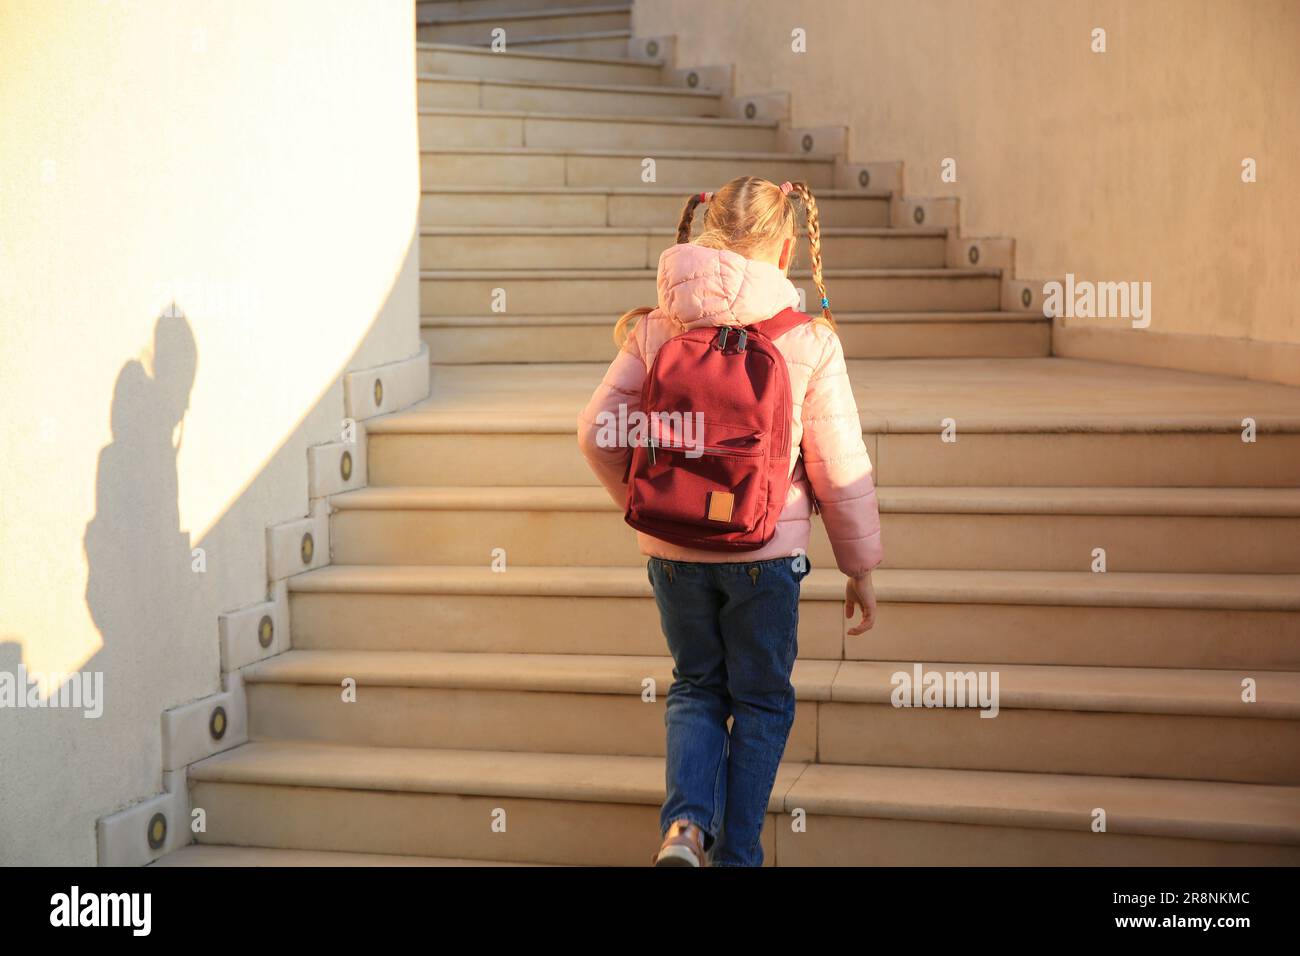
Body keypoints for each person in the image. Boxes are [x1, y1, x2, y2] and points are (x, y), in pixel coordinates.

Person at [577, 176, 883, 867]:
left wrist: (648, 500)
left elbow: (598, 432)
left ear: (705, 232)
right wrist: (860, 568)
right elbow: (840, 469)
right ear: (784, 250)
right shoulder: (808, 341)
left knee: (695, 686)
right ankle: (737, 854)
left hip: (674, 550)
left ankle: (684, 826)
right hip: (765, 553)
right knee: (763, 702)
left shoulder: (658, 327)